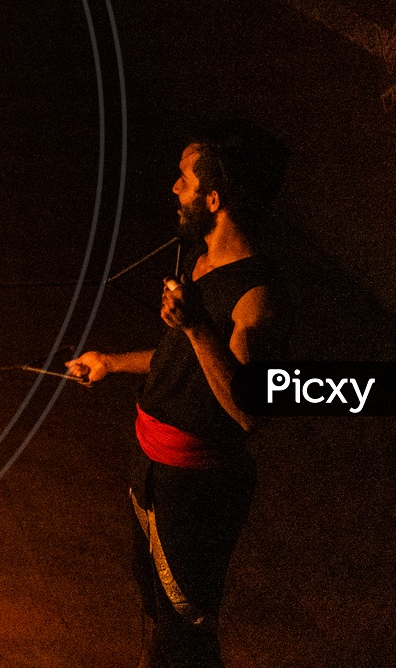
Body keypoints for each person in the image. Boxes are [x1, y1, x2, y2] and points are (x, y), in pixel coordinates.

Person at [67, 122, 291, 668]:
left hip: (197, 489)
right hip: (151, 466)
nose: (173, 188)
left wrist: (195, 327)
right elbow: (183, 362)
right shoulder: (200, 262)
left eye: (184, 180)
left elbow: (248, 412)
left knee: (185, 626)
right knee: (155, 606)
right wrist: (112, 362)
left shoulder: (256, 299)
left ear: (213, 200)